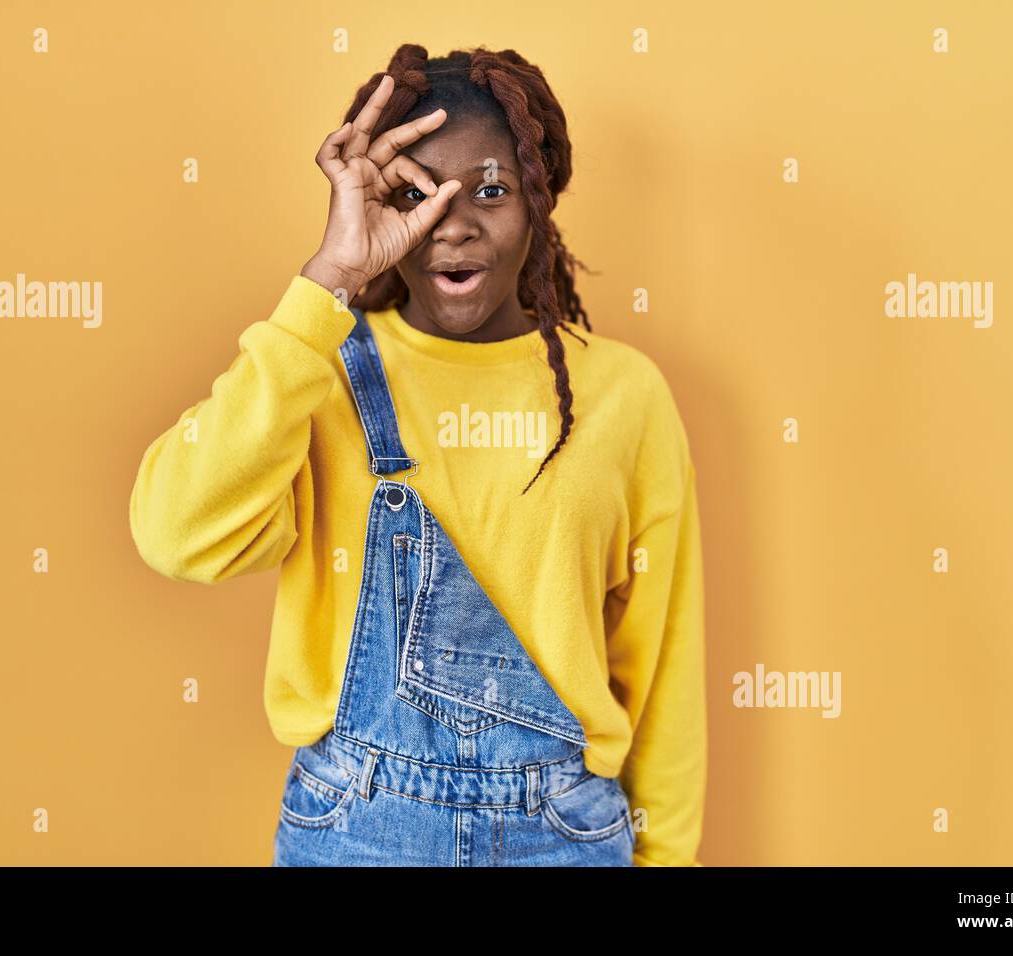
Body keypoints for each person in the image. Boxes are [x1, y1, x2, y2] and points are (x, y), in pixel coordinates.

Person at [129, 44, 706, 866]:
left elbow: (663, 662)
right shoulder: (318, 373)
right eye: (412, 194)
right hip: (356, 829)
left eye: (492, 189)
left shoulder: (627, 398)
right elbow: (174, 532)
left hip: (566, 836)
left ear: (540, 199)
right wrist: (324, 285)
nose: (455, 221)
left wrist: (667, 857)